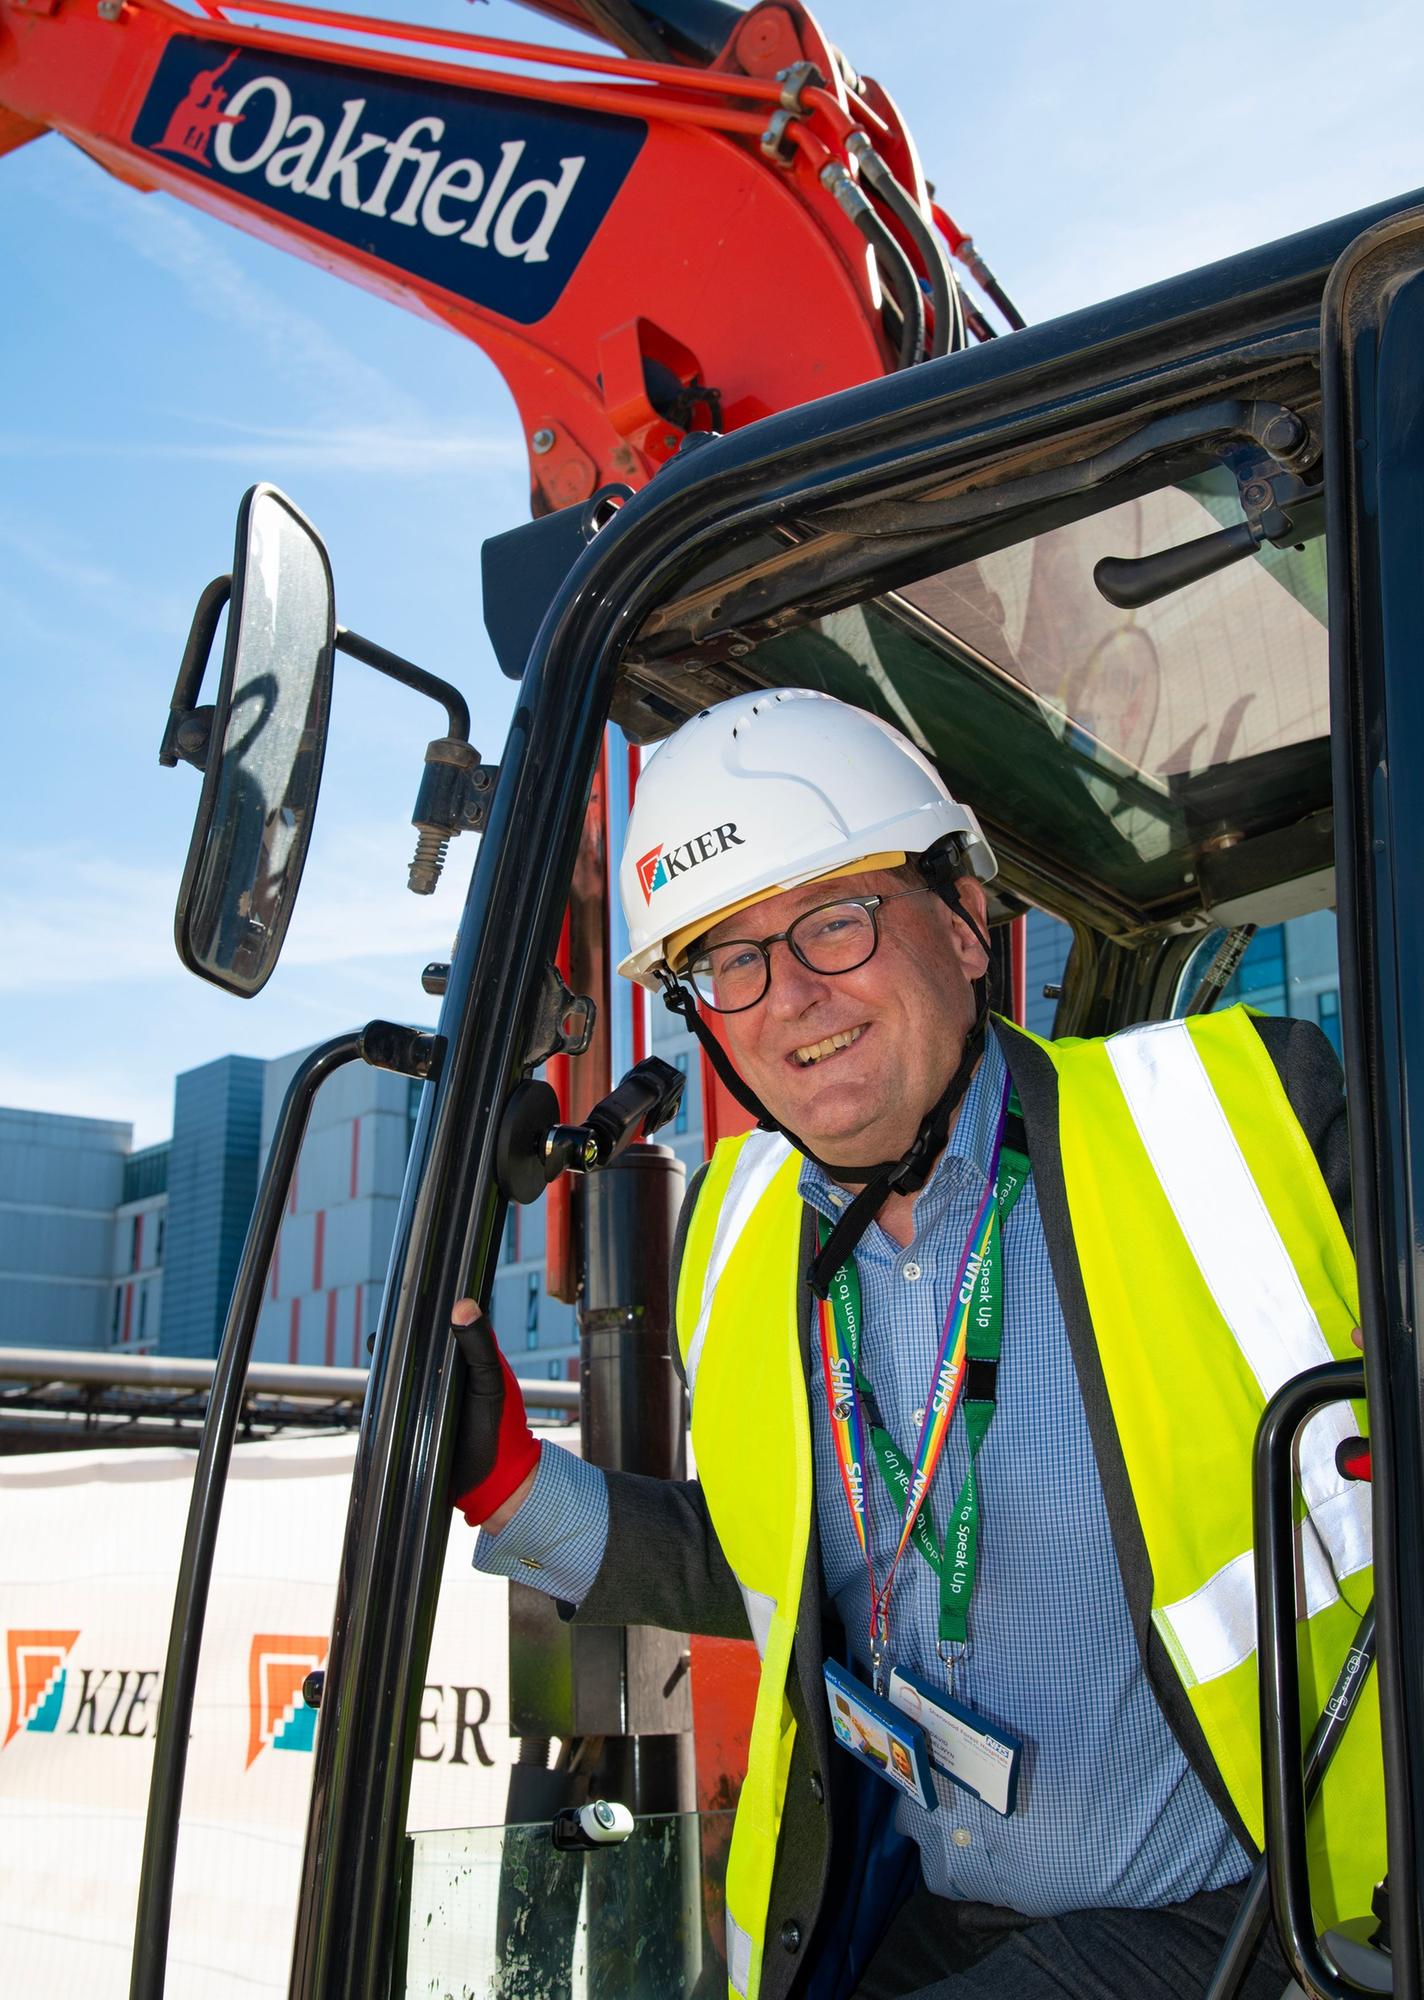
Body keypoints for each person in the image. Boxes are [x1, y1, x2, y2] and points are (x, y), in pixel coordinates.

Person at [449, 687, 1379, 2000]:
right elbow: (780, 1565)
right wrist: (511, 1488)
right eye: (731, 958)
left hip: (1243, 1924)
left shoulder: (1245, 1132)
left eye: (834, 920)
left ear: (966, 925)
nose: (791, 999)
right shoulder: (736, 1239)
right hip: (912, 1899)